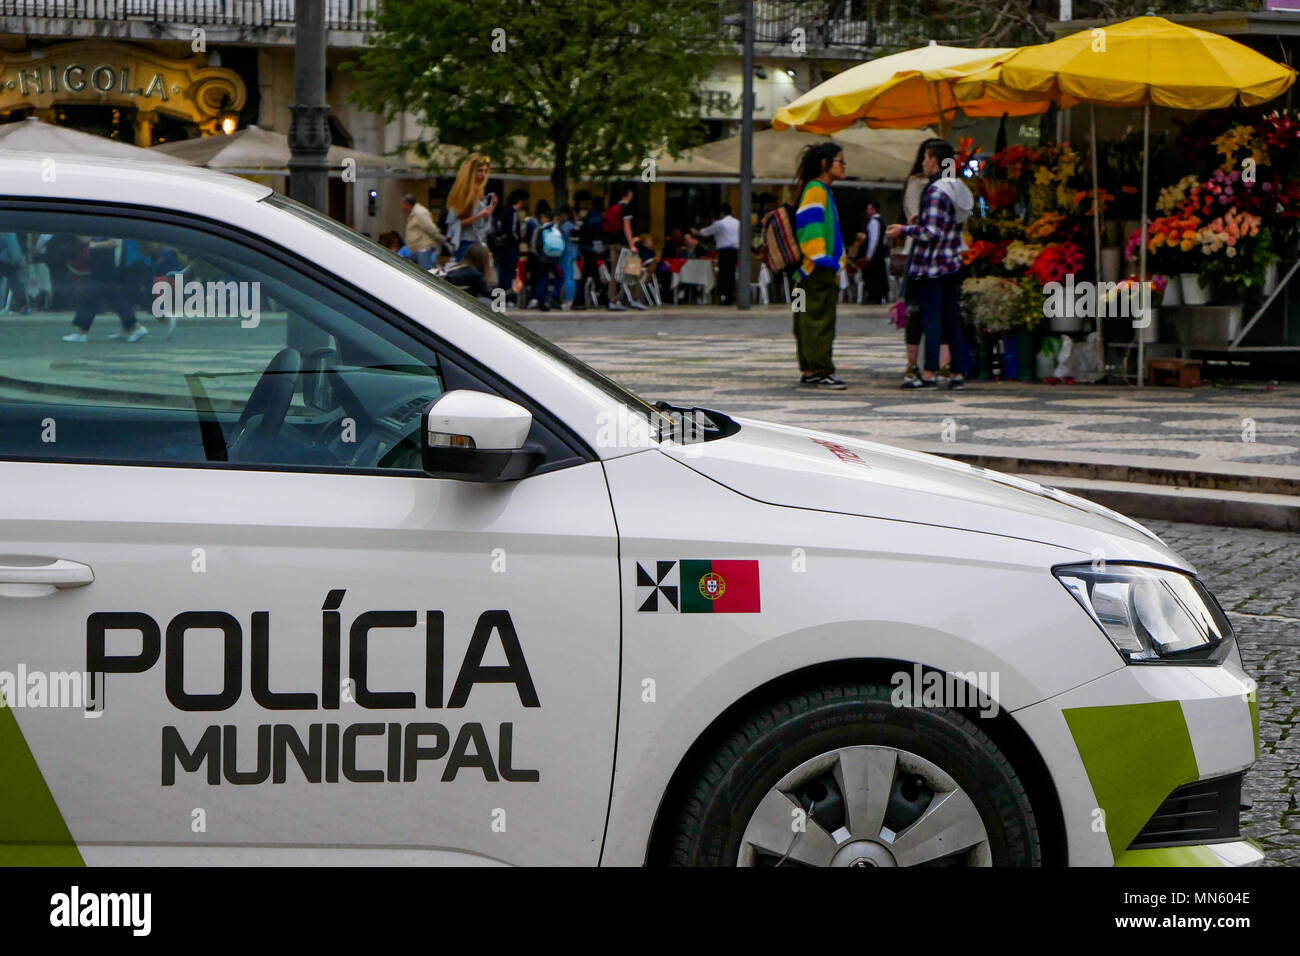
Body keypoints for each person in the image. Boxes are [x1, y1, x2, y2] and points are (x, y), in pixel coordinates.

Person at [887, 138, 972, 390]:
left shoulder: (935, 190)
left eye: (925, 158)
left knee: (932, 319)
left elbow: (932, 232)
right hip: (952, 263)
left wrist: (905, 228)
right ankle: (956, 372)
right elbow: (951, 224)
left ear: (934, 160)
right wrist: (920, 219)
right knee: (951, 319)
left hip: (933, 266)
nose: (923, 163)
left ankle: (928, 372)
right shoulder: (957, 187)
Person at [792, 142, 848, 389]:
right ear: (825, 164)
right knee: (820, 321)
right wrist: (824, 260)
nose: (844, 166)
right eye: (840, 161)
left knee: (804, 319)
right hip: (817, 270)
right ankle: (822, 369)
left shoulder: (815, 189)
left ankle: (809, 369)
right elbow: (810, 227)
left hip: (806, 271)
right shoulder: (817, 190)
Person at [61, 237, 147, 343]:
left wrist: (93, 245)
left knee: (95, 299)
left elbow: (113, 243)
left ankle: (82, 333)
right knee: (113, 299)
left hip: (103, 269)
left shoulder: (106, 229)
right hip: (102, 268)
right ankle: (135, 327)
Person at [895, 143, 933, 385]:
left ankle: (936, 364)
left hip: (940, 254)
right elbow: (913, 214)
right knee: (916, 310)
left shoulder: (950, 185)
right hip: (918, 251)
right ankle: (913, 364)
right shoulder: (916, 183)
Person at [445, 153, 497, 261]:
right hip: (464, 245)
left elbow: (483, 228)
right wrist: (479, 215)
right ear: (471, 172)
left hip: (477, 244)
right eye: (480, 170)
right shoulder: (460, 196)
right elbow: (454, 225)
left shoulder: (479, 195)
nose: (483, 174)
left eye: (485, 171)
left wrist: (488, 213)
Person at [603, 185, 637, 312]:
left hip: (612, 243)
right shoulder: (626, 207)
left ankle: (612, 299)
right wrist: (632, 244)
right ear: (628, 194)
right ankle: (633, 298)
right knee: (632, 270)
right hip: (623, 243)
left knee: (614, 272)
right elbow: (627, 227)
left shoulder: (613, 207)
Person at [698, 203, 740, 305]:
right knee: (731, 273)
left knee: (724, 274)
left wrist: (699, 231)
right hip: (735, 251)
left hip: (724, 252)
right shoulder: (738, 222)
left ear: (721, 213)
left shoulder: (720, 223)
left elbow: (706, 232)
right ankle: (730, 295)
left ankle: (725, 296)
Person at [530, 202, 564, 311]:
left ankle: (541, 301)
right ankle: (554, 296)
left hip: (543, 258)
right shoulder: (556, 228)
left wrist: (540, 254)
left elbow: (537, 245)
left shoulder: (541, 229)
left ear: (544, 218)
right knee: (559, 276)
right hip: (555, 257)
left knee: (543, 279)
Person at [493, 190, 527, 295]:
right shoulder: (513, 213)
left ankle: (500, 293)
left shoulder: (504, 211)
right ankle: (506, 294)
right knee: (509, 270)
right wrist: (519, 239)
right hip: (511, 246)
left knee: (502, 270)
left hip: (502, 246)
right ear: (519, 201)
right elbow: (512, 231)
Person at [401, 193, 444, 270]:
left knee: (424, 274)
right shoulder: (414, 213)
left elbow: (430, 228)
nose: (402, 207)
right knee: (413, 273)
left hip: (422, 249)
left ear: (407, 204)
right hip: (415, 250)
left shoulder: (420, 212)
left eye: (403, 204)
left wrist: (437, 238)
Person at [862, 200, 889, 304]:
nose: (867, 211)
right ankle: (879, 294)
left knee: (873, 275)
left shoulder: (874, 221)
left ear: (874, 209)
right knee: (879, 274)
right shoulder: (881, 221)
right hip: (880, 252)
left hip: (875, 254)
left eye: (869, 208)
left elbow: (873, 239)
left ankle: (874, 296)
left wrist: (869, 255)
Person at [557, 204, 581, 309]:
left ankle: (568, 301)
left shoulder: (564, 226)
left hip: (565, 253)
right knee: (572, 278)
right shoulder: (574, 224)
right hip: (574, 252)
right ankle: (571, 300)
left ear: (563, 214)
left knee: (568, 278)